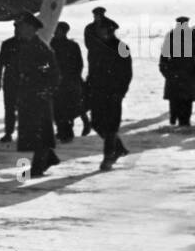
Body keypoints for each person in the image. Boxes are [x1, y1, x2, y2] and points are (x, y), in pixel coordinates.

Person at [12, 13, 60, 177]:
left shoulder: (41, 48)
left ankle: (38, 167)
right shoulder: (25, 46)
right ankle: (49, 158)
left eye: (23, 26)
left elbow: (53, 74)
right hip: (28, 95)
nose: (19, 29)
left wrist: (45, 91)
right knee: (33, 132)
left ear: (31, 29)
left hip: (38, 97)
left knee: (39, 131)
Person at [85, 16, 132, 170]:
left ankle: (109, 157)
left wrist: (120, 91)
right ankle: (118, 149)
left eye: (100, 28)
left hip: (113, 93)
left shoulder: (122, 47)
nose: (97, 31)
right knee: (97, 123)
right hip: (97, 92)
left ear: (109, 30)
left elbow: (127, 73)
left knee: (111, 126)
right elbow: (92, 70)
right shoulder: (96, 47)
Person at [159, 16, 195, 127]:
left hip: (188, 74)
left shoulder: (194, 36)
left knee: (186, 101)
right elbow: (164, 57)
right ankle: (175, 119)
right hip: (176, 74)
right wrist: (167, 73)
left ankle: (184, 122)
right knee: (175, 100)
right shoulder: (172, 36)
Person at [49, 21, 86, 141]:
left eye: (59, 30)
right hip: (55, 81)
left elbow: (79, 63)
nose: (56, 32)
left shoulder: (72, 45)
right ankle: (61, 131)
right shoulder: (50, 44)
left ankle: (67, 132)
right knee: (57, 109)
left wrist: (74, 77)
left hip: (69, 81)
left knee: (68, 108)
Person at [0, 26, 20, 144]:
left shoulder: (31, 43)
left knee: (25, 108)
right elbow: (0, 64)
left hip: (25, 80)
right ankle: (8, 133)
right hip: (11, 80)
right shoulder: (7, 44)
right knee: (10, 108)